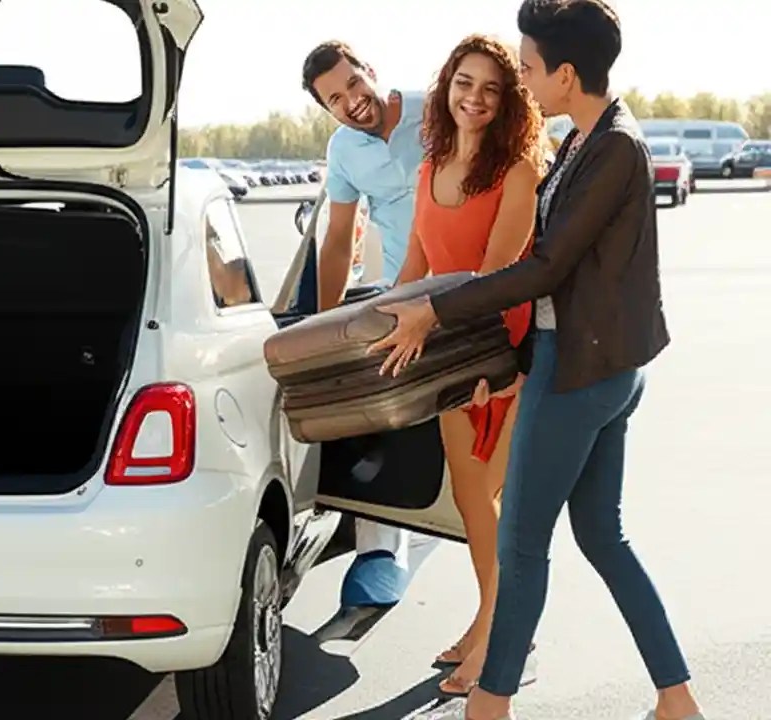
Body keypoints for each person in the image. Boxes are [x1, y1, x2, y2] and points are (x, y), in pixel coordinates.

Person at [372, 2, 705, 719]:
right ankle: (676, 699)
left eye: (525, 69)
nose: (522, 81)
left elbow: (544, 268)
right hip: (597, 368)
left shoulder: (614, 147)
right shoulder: (587, 140)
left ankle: (489, 704)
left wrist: (436, 311)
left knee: (521, 546)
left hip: (579, 372)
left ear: (565, 72)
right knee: (603, 539)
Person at [393, 35, 545, 695]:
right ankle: (489, 618)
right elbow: (414, 271)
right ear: (446, 85)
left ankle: (499, 636)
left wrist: (498, 365)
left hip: (500, 356)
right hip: (447, 358)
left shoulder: (518, 171)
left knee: (491, 501)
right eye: (464, 83)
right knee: (467, 500)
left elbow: (499, 281)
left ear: (507, 100)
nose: (474, 98)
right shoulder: (428, 170)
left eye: (489, 88)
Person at [300, 40, 430, 627]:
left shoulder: (436, 108)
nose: (351, 101)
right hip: (399, 294)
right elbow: (337, 236)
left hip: (469, 285)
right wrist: (325, 325)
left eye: (354, 84)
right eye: (335, 98)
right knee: (373, 408)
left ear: (371, 72)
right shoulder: (343, 150)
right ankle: (379, 549)